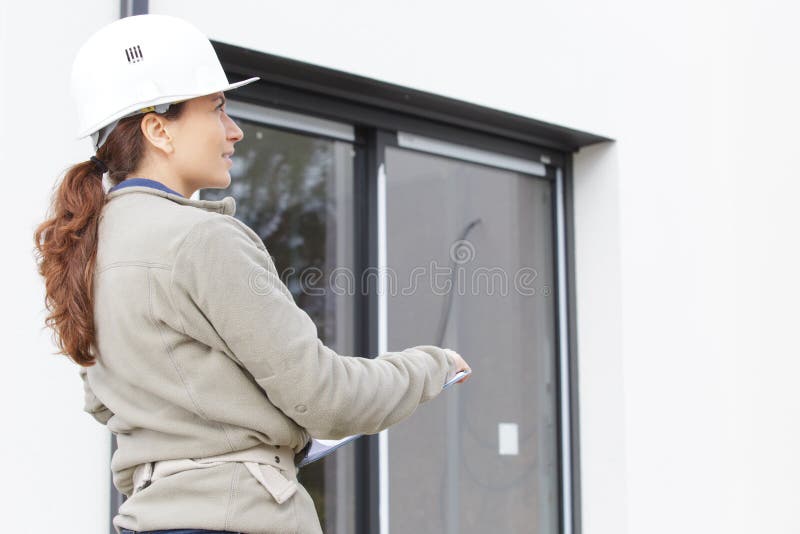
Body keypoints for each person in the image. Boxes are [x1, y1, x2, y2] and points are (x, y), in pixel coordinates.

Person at [33, 13, 471, 534]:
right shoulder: (202, 239)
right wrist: (431, 367)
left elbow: (105, 403)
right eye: (217, 109)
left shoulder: (88, 246)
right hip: (240, 520)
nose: (234, 130)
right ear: (158, 129)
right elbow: (326, 398)